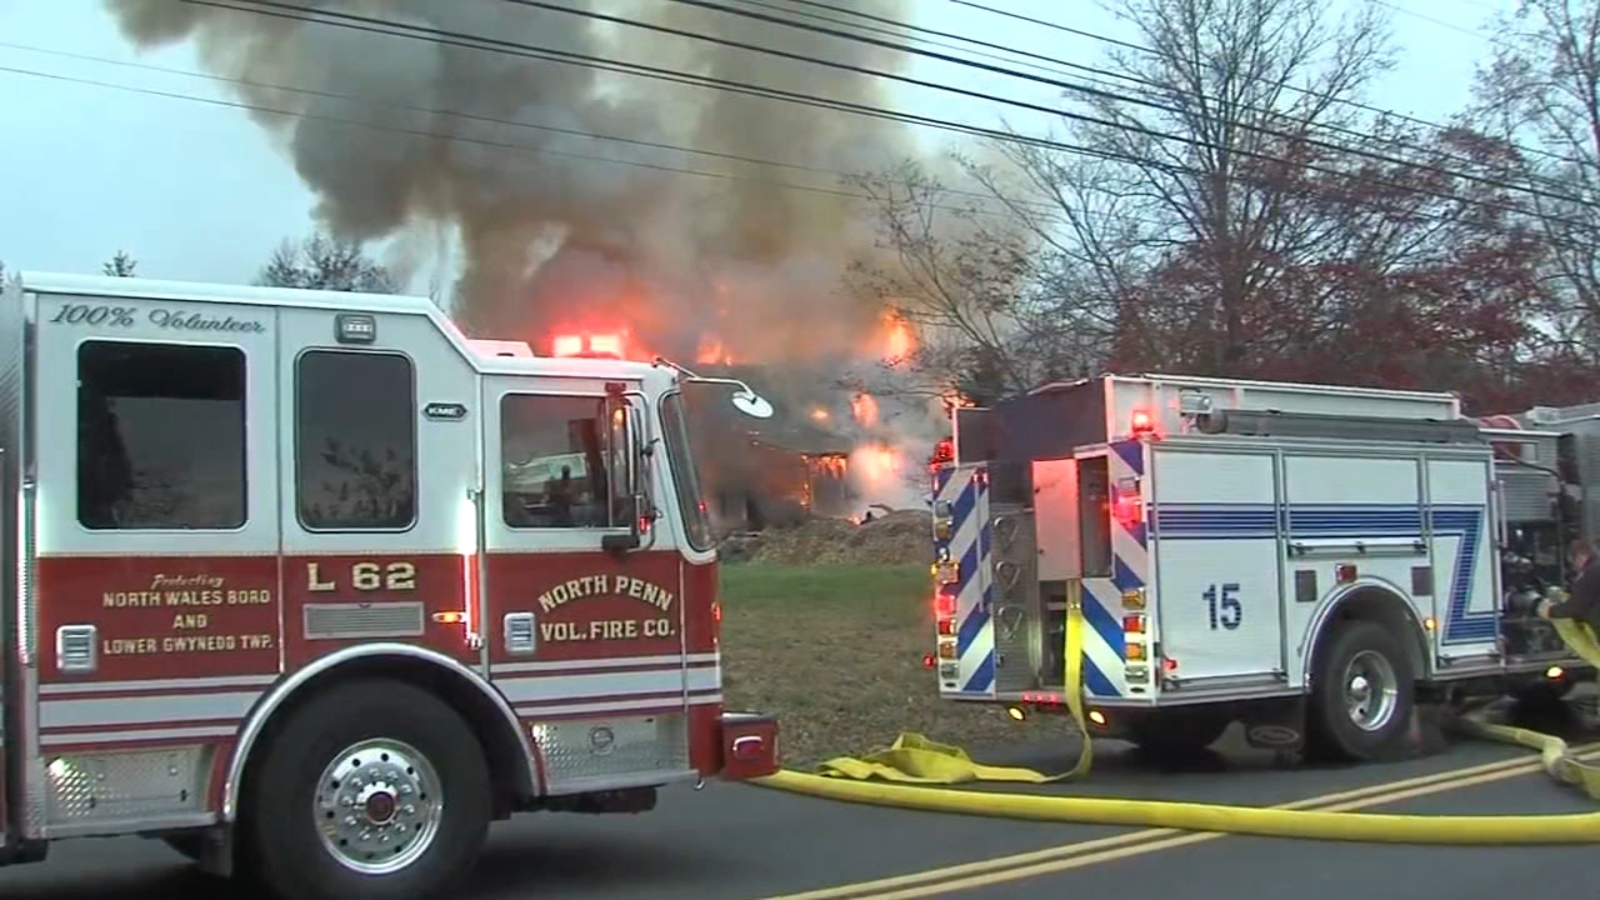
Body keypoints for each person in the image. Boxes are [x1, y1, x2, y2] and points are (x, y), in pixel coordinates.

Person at [1537, 538, 1600, 636]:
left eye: (1574, 563)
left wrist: (1551, 611)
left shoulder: (1593, 571)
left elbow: (1576, 606)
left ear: (1581, 556)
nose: (1576, 568)